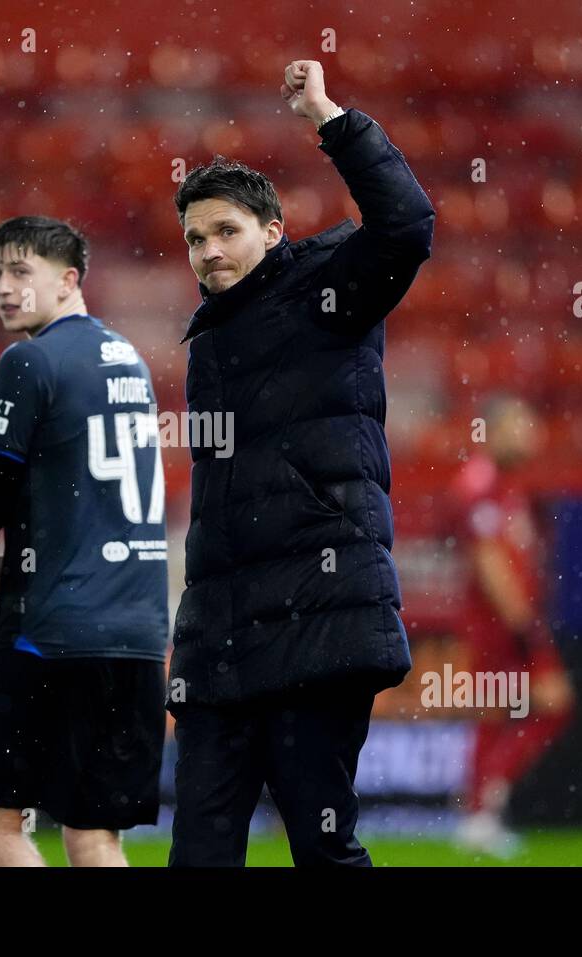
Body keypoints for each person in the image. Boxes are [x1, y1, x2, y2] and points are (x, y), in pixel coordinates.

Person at [166, 60, 434, 866]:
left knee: (322, 848)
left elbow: (407, 225)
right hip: (221, 640)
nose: (208, 251)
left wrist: (330, 117)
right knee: (199, 853)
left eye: (226, 231)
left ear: (274, 231)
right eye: (194, 239)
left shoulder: (327, 288)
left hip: (318, 626)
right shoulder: (208, 339)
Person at [0, 217, 169, 867]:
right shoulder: (128, 360)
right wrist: (18, 560)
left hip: (53, 633)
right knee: (92, 833)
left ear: (69, 279)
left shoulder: (29, 359)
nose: (3, 287)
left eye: (22, 272)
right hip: (136, 635)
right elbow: (89, 499)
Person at [448, 395, 574, 857]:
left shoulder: (506, 485)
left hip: (508, 620)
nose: (530, 436)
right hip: (497, 624)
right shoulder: (479, 485)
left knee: (508, 714)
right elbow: (488, 560)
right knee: (534, 706)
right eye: (521, 426)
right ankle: (480, 807)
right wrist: (523, 625)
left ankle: (481, 807)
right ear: (494, 430)